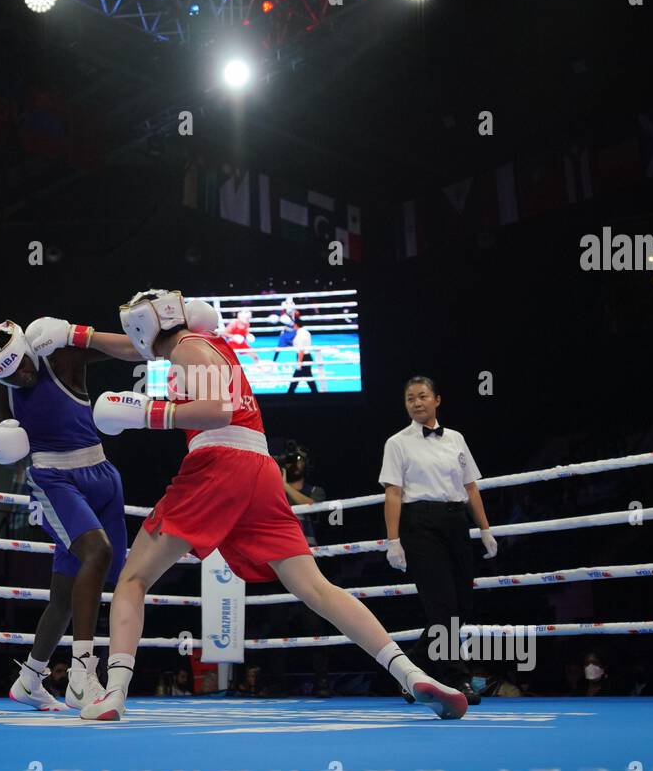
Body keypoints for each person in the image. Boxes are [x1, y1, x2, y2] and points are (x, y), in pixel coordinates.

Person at [72, 288, 467, 722]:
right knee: (316, 589)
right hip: (258, 470)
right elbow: (134, 349)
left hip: (218, 464)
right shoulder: (205, 343)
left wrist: (146, 412)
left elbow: (218, 411)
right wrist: (78, 336)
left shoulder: (187, 349)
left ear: (144, 325)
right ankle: (410, 674)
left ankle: (113, 696)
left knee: (133, 579)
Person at [0, 317, 130, 711]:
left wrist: (78, 333)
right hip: (52, 479)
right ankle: (82, 673)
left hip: (101, 471)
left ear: (29, 348)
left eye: (22, 364)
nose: (22, 376)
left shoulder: (60, 358)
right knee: (97, 553)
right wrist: (7, 450)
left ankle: (29, 680)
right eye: (10, 375)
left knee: (66, 593)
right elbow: (5, 449)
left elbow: (127, 347)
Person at [379, 376, 496, 706]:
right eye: (410, 398)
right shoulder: (397, 442)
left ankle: (410, 669)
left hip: (456, 522)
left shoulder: (456, 438)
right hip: (420, 526)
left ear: (437, 400)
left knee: (460, 605)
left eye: (422, 396)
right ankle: (458, 679)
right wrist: (393, 539)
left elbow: (470, 487)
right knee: (441, 605)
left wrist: (485, 529)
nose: (416, 403)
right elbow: (393, 492)